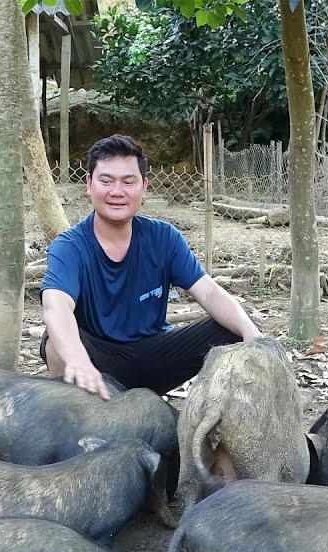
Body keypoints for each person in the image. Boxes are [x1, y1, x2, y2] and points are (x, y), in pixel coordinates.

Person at [41, 134, 261, 399]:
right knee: (55, 343)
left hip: (156, 357)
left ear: (143, 187)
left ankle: (217, 415)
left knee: (234, 327)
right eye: (106, 181)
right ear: (89, 184)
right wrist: (79, 360)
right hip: (99, 365)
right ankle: (74, 415)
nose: (117, 191)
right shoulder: (69, 246)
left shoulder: (164, 238)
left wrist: (254, 336)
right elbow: (56, 307)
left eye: (128, 182)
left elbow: (208, 292)